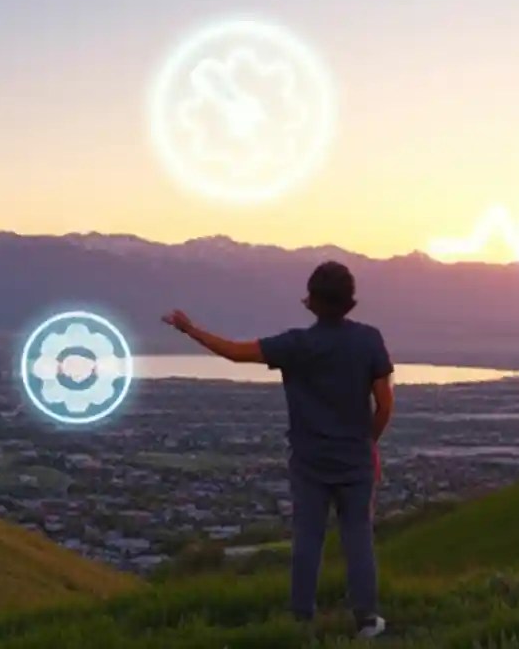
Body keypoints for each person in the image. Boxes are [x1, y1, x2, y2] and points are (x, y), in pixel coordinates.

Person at [161, 260, 394, 638]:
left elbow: (235, 352)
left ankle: (302, 621)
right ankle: (367, 619)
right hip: (355, 461)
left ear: (313, 302)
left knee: (308, 539)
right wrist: (368, 443)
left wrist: (189, 329)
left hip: (309, 463)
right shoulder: (369, 340)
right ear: (349, 300)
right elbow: (384, 405)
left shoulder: (295, 345)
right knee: (358, 537)